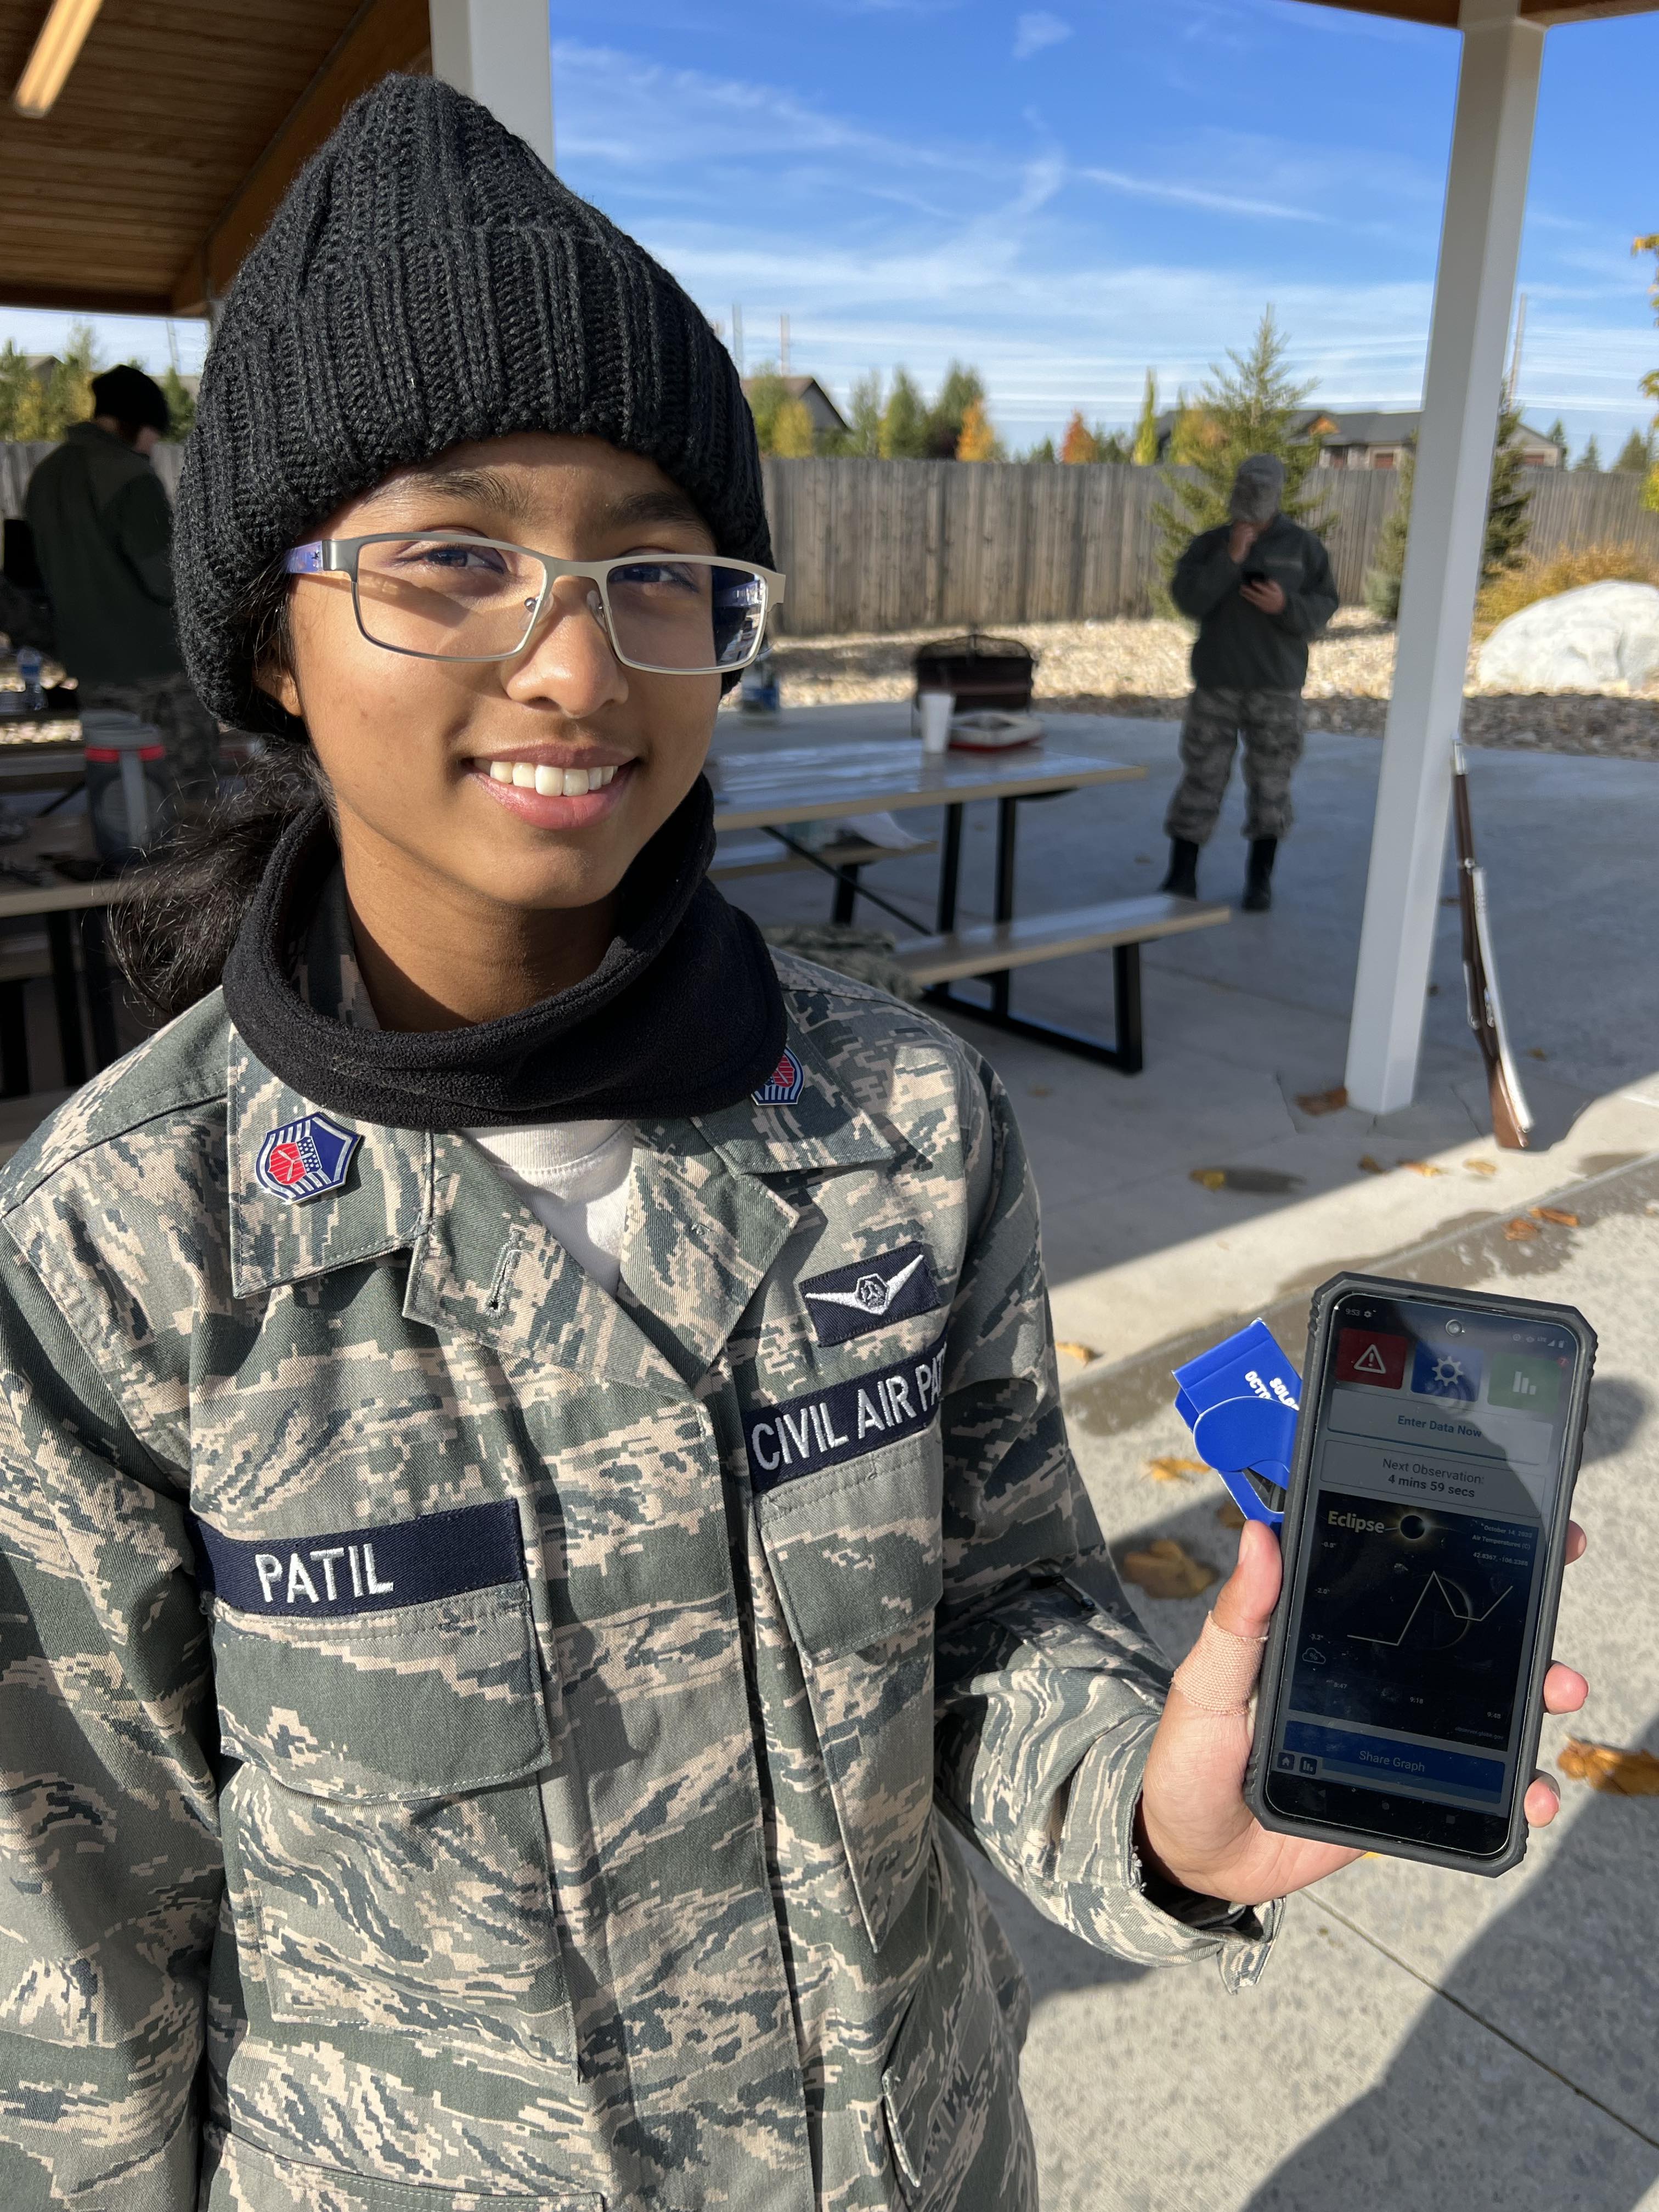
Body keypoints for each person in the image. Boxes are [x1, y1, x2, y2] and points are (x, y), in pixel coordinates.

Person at [0, 79, 1588, 2212]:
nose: (575, 660)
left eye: (659, 570)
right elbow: (74, 1987)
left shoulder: (900, 1125)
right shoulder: (119, 1257)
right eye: (454, 555)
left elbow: (996, 1621)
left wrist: (1162, 1814)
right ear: (273, 649)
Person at [24, 362, 222, 810]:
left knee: (127, 798)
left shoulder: (46, 477)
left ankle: (138, 876)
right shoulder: (129, 476)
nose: (154, 445)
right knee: (190, 799)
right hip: (158, 672)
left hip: (92, 671)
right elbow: (169, 578)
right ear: (131, 422)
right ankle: (199, 879)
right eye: (154, 432)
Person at [1160, 453, 1338, 913]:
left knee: (1272, 786)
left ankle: (1259, 882)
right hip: (1217, 685)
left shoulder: (1303, 548)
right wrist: (1231, 558)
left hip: (1276, 690)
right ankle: (1182, 875)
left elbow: (1322, 609)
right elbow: (1189, 600)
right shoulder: (1210, 545)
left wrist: (1285, 606)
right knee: (1201, 778)